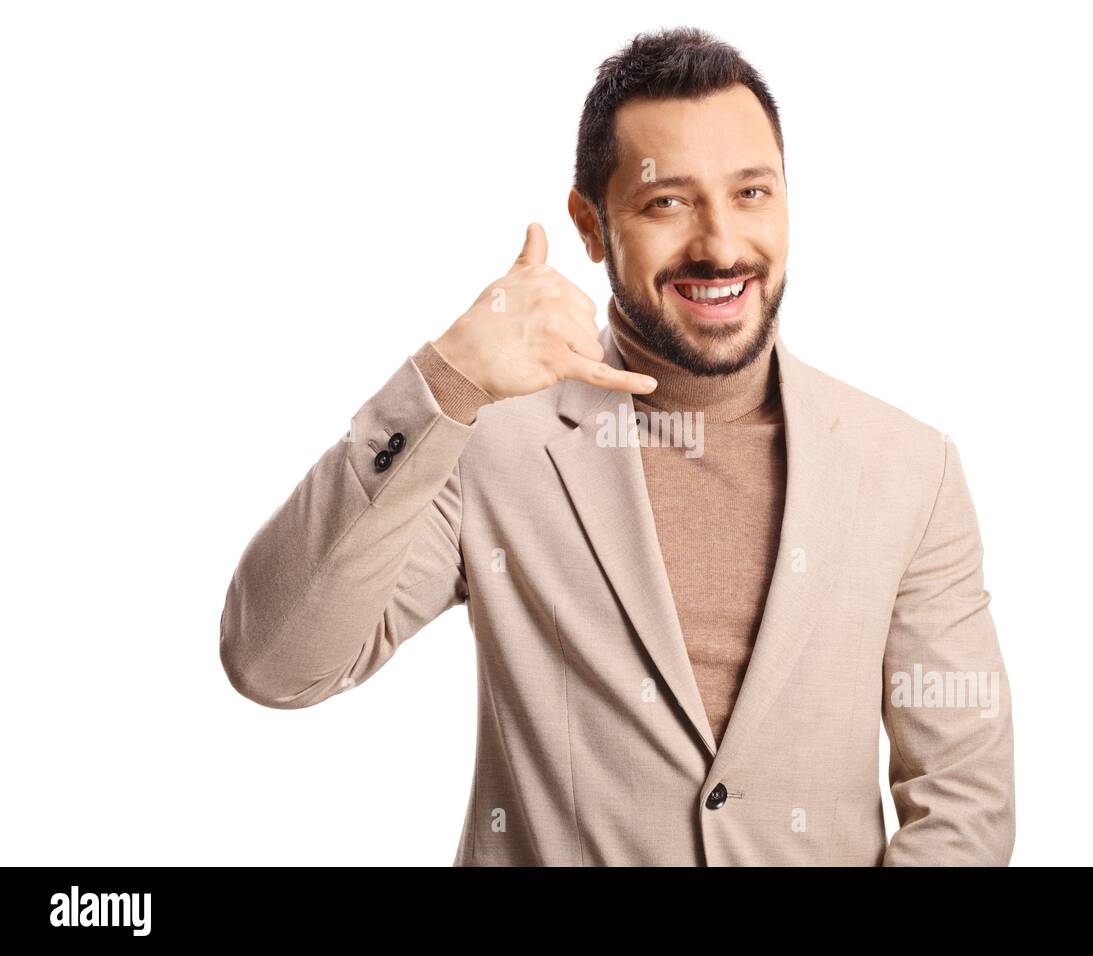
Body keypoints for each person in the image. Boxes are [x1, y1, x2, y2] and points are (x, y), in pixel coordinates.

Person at [219, 26, 1015, 866]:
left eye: (751, 192)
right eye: (667, 201)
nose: (720, 244)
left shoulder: (909, 469)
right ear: (590, 225)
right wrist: (442, 381)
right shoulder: (486, 444)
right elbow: (273, 662)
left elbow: (963, 799)